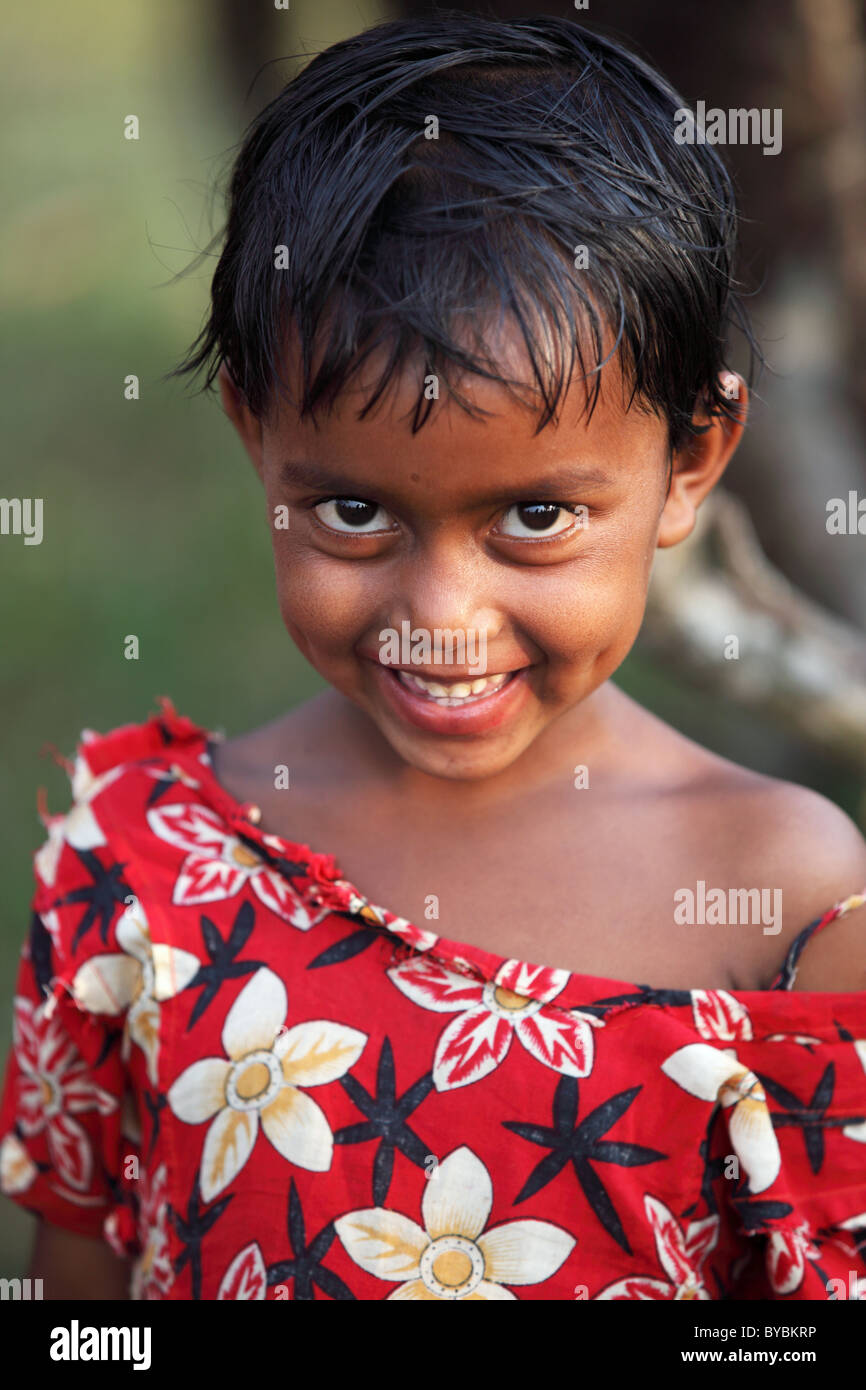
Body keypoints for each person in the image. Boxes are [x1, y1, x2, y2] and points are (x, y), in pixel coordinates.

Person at [2, 13, 864, 1302]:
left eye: (535, 516)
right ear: (256, 433)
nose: (440, 615)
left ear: (690, 462)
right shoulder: (136, 870)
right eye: (353, 512)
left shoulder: (789, 899)